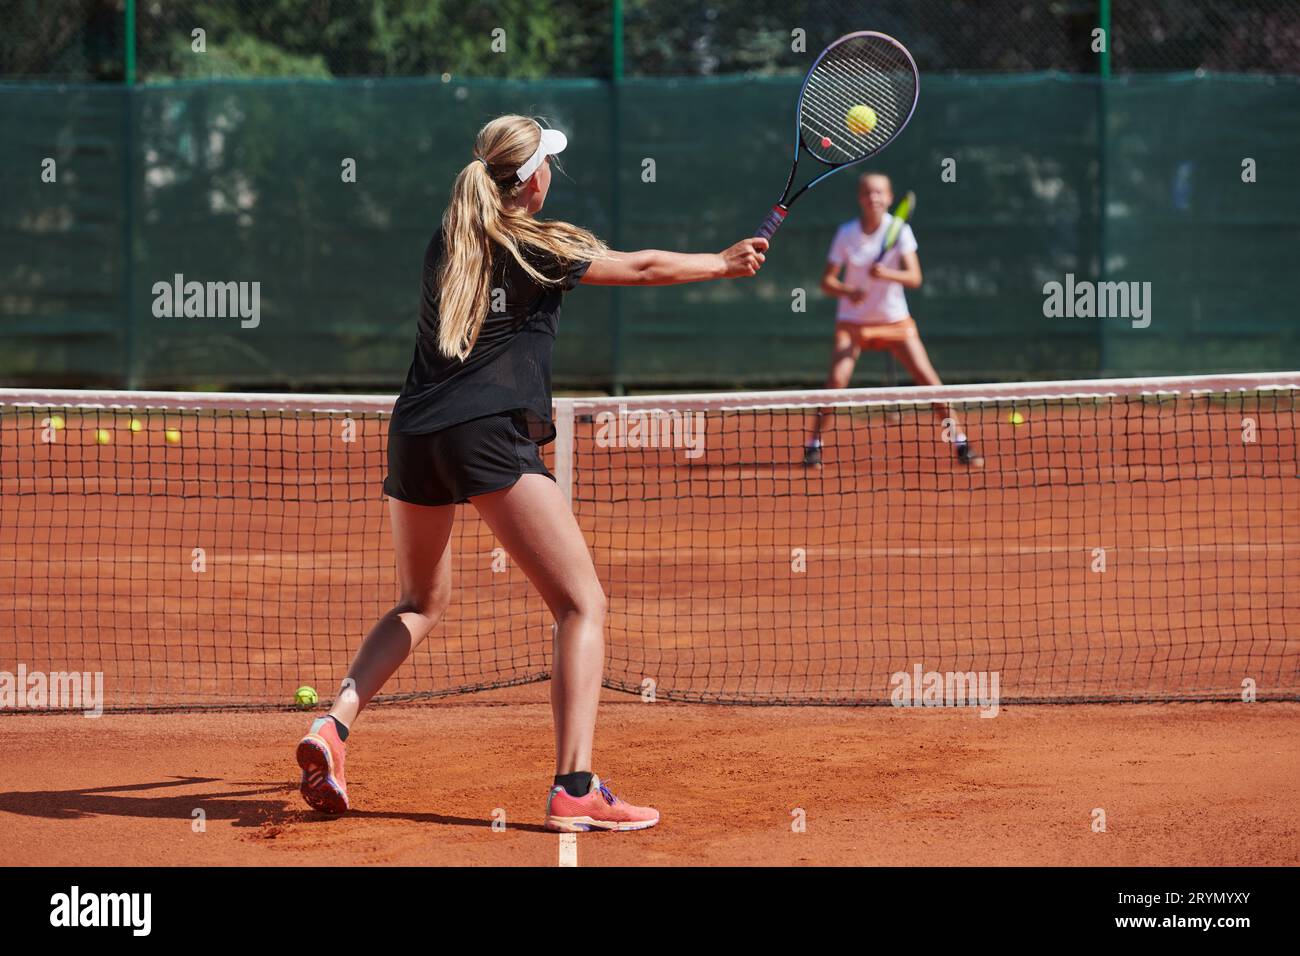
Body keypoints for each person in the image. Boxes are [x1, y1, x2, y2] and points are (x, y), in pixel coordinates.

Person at [294, 114, 768, 832]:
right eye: (549, 160)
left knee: (418, 602)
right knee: (582, 605)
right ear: (532, 178)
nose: (554, 171)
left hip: (415, 434)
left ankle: (333, 726)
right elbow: (640, 267)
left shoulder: (450, 235)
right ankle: (575, 785)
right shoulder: (540, 244)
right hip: (488, 434)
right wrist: (723, 263)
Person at [803, 172, 979, 467]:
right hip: (853, 323)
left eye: (879, 193)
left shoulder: (901, 231)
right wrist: (849, 290)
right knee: (836, 381)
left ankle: (960, 443)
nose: (873, 198)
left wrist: (887, 274)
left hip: (895, 321)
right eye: (867, 193)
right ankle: (813, 445)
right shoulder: (846, 233)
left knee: (930, 382)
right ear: (859, 198)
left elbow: (914, 278)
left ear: (889, 198)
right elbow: (826, 282)